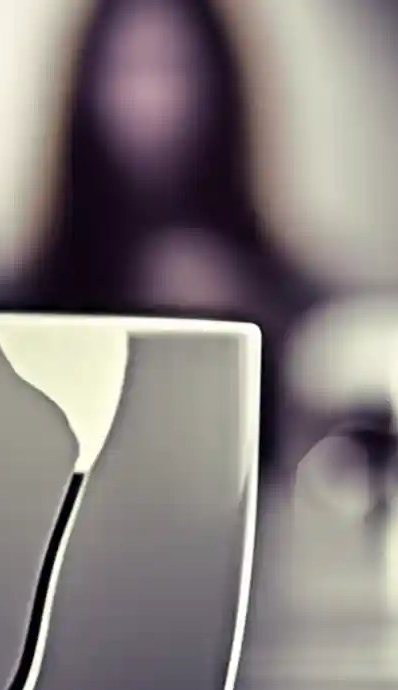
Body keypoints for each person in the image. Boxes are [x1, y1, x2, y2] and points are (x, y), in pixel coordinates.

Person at [21, 0, 317, 478]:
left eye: (177, 68)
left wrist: (256, 328)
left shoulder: (291, 300)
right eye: (128, 68)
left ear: (221, 83)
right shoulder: (21, 299)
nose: (156, 100)